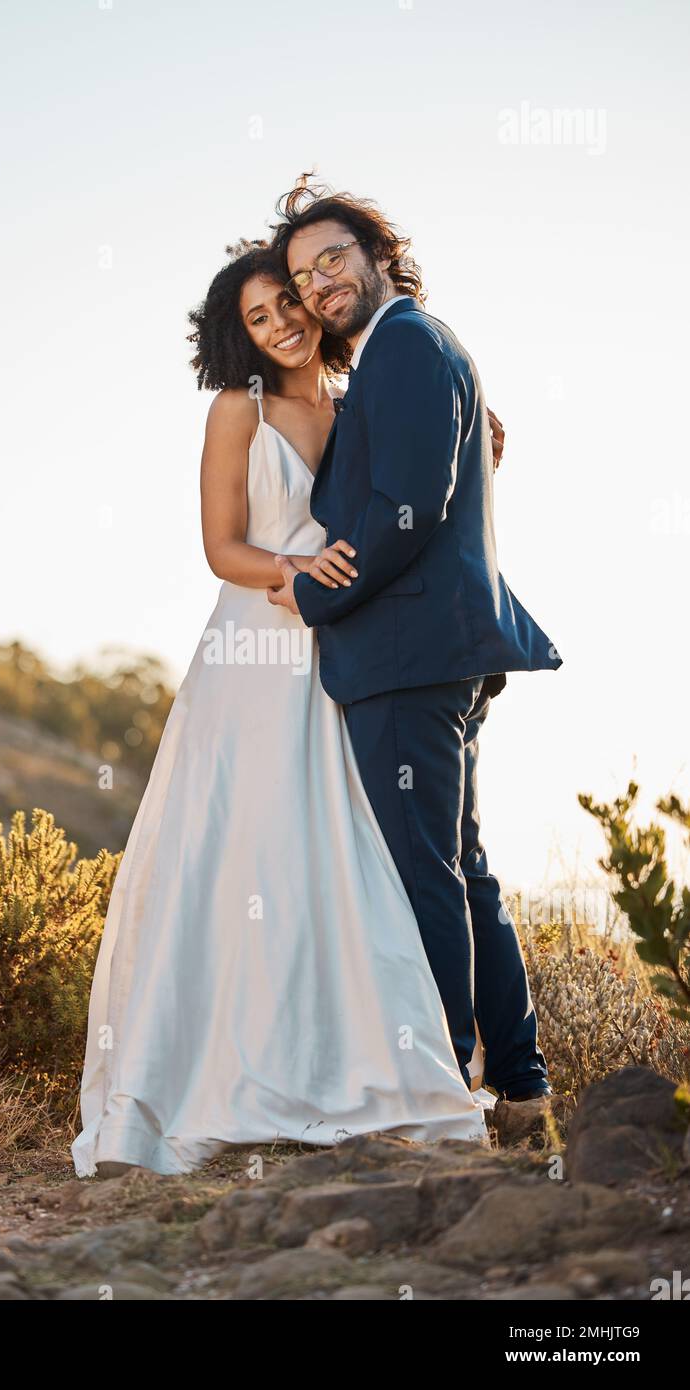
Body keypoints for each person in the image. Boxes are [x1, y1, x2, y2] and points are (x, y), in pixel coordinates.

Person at [71, 239, 496, 1180]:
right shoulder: (238, 411)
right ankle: (213, 1075)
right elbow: (222, 547)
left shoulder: (355, 404)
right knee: (243, 848)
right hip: (251, 649)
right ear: (243, 336)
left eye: (289, 305)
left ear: (314, 305)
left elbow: (415, 472)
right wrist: (293, 568)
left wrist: (476, 425)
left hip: (336, 649)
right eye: (259, 318)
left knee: (333, 854)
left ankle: (338, 1068)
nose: (283, 325)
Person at [268, 178, 562, 1103]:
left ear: (377, 253)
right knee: (460, 867)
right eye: (303, 275)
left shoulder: (403, 345)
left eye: (332, 259)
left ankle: (444, 1084)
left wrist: (314, 598)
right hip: (444, 654)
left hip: (405, 656)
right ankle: (516, 1082)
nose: (318, 284)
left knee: (419, 874)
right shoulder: (416, 350)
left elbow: (405, 510)